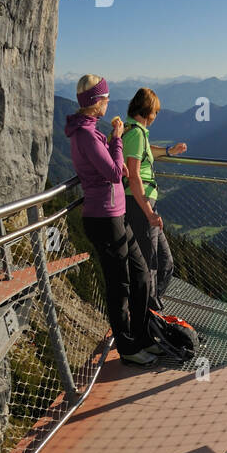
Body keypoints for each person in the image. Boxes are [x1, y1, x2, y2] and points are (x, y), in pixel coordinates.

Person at [64, 74, 158, 366]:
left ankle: (141, 336)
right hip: (104, 217)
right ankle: (128, 349)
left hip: (116, 213)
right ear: (95, 102)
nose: (108, 102)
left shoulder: (90, 131)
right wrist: (117, 139)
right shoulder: (85, 135)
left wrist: (112, 142)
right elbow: (116, 173)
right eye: (105, 98)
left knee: (140, 274)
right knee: (119, 286)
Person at [120, 87, 187, 315]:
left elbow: (147, 152)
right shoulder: (136, 134)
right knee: (150, 265)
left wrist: (170, 150)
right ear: (148, 111)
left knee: (163, 263)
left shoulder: (132, 131)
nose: (156, 117)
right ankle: (147, 316)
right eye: (155, 112)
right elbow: (134, 174)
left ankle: (150, 310)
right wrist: (148, 212)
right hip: (140, 205)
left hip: (141, 204)